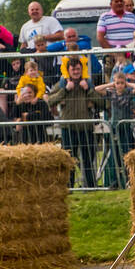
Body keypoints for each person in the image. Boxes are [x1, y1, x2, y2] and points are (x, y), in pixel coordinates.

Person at [47, 57, 107, 187]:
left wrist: (88, 90)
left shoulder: (88, 83)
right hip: (68, 127)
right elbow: (50, 101)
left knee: (88, 160)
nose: (76, 72)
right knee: (69, 160)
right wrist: (65, 90)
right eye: (73, 69)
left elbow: (102, 103)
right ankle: (69, 187)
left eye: (78, 69)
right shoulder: (62, 84)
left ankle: (91, 187)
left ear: (82, 69)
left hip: (86, 127)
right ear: (68, 70)